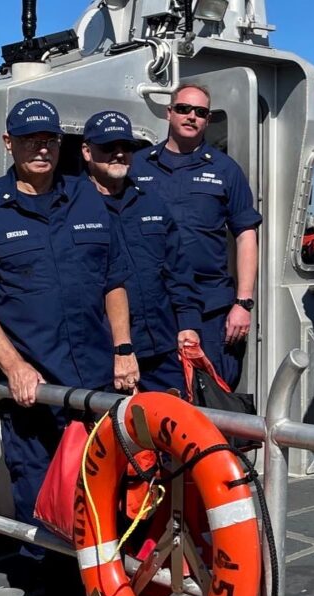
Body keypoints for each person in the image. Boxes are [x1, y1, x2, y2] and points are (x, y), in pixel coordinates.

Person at [0, 98, 136, 531]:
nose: (41, 148)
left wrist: (124, 350)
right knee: (41, 500)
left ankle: (101, 591)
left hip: (96, 384)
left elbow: (114, 279)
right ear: (9, 143)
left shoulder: (88, 196)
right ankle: (46, 594)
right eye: (30, 139)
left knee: (108, 496)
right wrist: (14, 366)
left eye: (48, 139)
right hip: (35, 392)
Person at [131, 83, 262, 388]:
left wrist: (243, 303)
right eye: (183, 109)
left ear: (207, 120)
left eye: (200, 112)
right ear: (169, 113)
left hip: (210, 306)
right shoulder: (138, 165)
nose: (191, 117)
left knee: (213, 395)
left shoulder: (225, 170)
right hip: (153, 306)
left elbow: (245, 235)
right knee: (157, 400)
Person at [81, 110, 203, 392]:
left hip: (161, 351)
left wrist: (188, 324)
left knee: (171, 430)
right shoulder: (72, 207)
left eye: (126, 147)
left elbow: (177, 270)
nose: (119, 154)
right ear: (87, 152)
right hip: (104, 356)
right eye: (108, 147)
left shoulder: (151, 204)